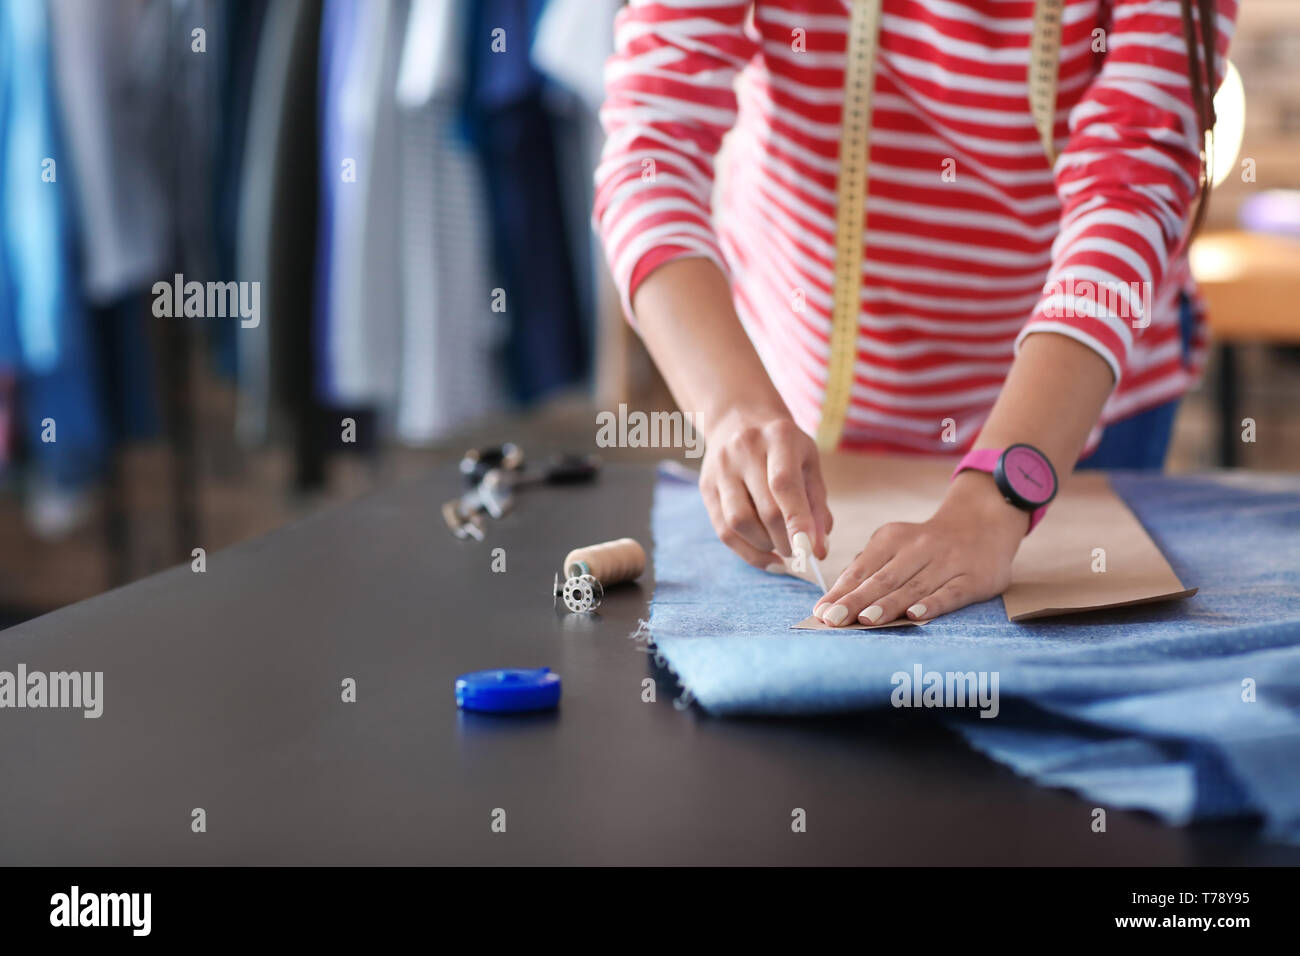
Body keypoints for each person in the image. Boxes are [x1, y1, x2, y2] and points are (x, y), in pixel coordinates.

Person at [594, 0, 1235, 625]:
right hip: (800, 379)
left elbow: (1133, 181)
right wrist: (733, 405)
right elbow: (652, 144)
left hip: (1081, 398)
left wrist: (999, 495)